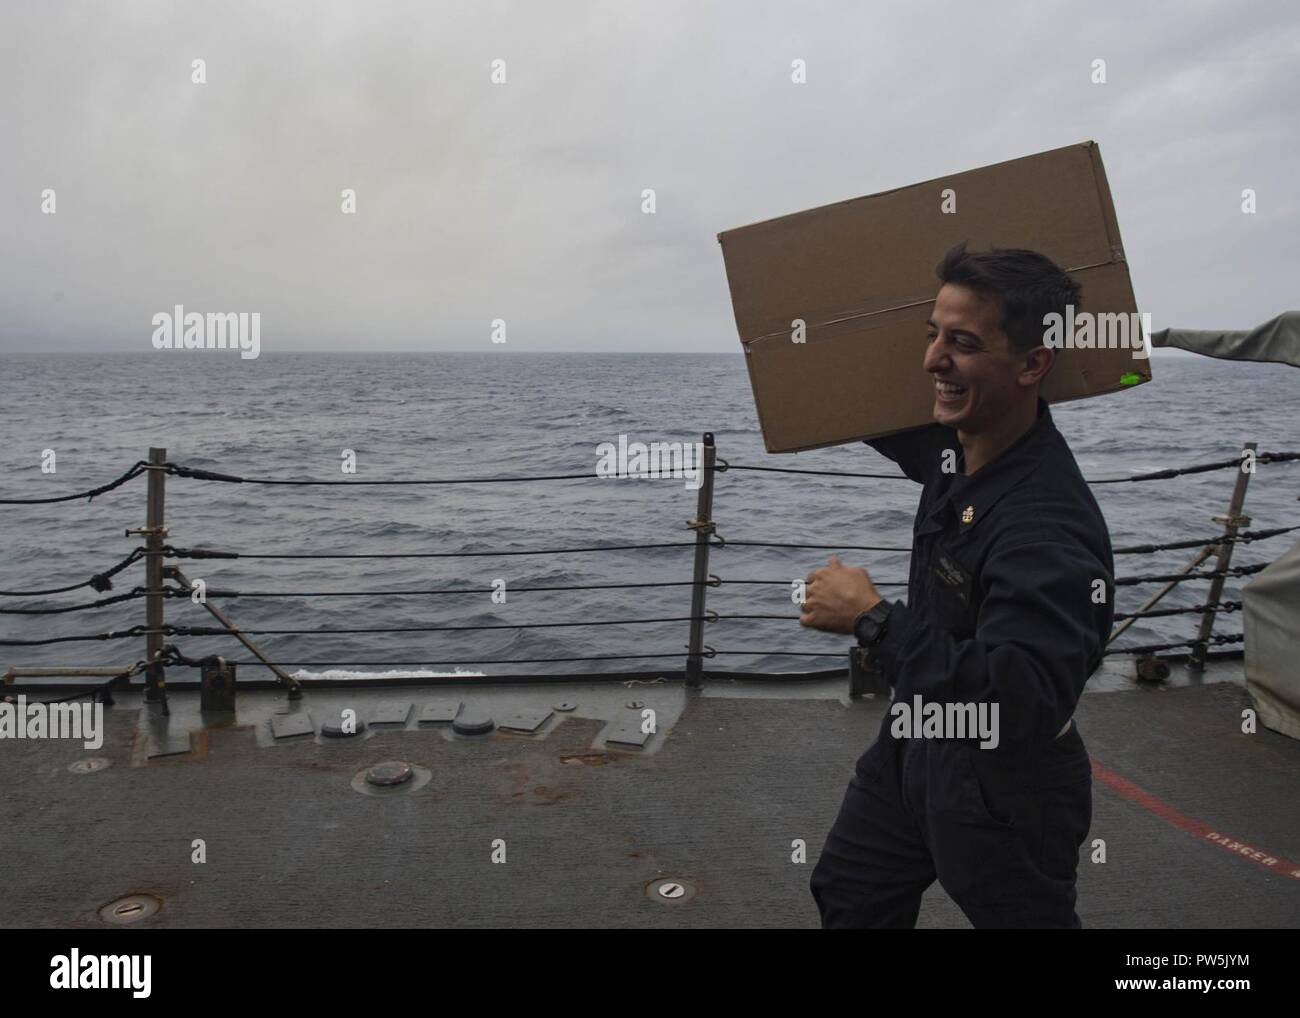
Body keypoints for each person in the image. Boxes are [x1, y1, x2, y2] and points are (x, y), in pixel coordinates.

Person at [801, 242, 1114, 928]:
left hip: (1009, 788)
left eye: (962, 342)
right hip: (918, 742)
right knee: (852, 895)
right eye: (932, 334)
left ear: (1033, 363)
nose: (933, 359)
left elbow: (1017, 701)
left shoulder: (1045, 528)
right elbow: (851, 404)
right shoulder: (960, 446)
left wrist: (873, 619)